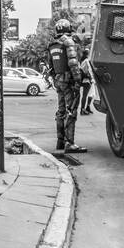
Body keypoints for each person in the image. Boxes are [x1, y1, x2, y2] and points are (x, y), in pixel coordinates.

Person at [48, 18, 87, 154]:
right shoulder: (68, 42)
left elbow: (50, 66)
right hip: (69, 81)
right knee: (71, 111)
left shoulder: (52, 45)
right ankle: (69, 143)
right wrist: (77, 81)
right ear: (68, 29)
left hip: (58, 81)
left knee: (61, 111)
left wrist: (56, 79)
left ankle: (60, 141)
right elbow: (73, 63)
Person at [78, 41, 95, 115]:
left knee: (91, 94)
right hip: (87, 80)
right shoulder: (86, 61)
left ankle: (87, 107)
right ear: (87, 54)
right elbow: (87, 71)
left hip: (87, 80)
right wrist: (91, 78)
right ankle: (82, 110)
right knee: (85, 95)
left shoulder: (83, 60)